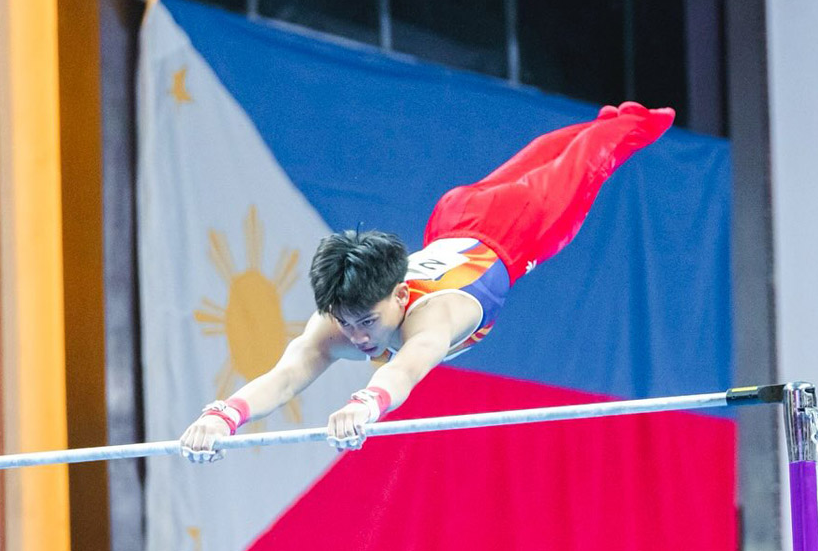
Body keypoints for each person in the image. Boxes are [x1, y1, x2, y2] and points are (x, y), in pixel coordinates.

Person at [179, 101, 675, 462]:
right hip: (454, 220)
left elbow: (405, 370)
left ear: (399, 295)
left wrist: (365, 404)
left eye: (366, 322)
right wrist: (224, 415)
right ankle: (605, 121)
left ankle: (627, 125)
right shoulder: (339, 316)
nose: (356, 337)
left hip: (516, 230)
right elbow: (286, 376)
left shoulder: (434, 315)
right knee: (537, 161)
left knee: (584, 164)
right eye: (345, 323)